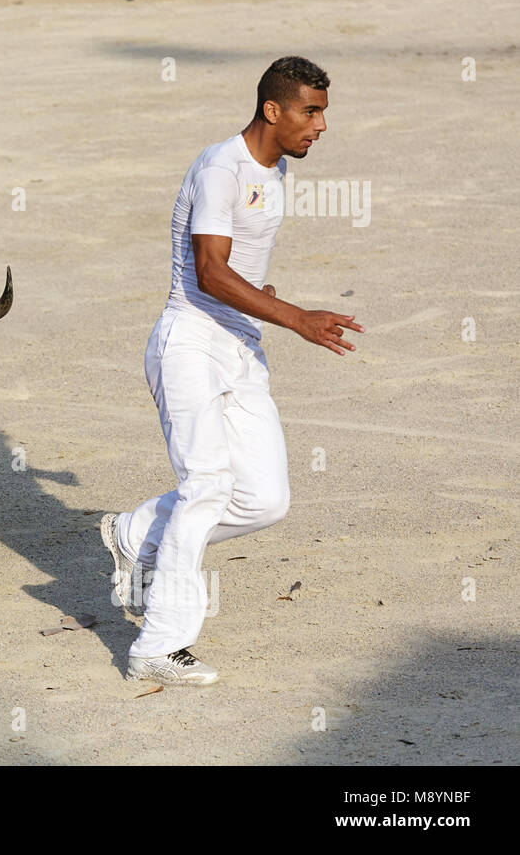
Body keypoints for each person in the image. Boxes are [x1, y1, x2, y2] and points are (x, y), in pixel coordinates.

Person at [100, 56, 363, 685]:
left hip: (240, 346)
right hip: (189, 341)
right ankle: (157, 647)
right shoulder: (222, 166)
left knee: (265, 499)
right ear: (273, 110)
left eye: (323, 111)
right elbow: (211, 273)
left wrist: (265, 299)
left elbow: (236, 271)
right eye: (311, 111)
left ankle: (136, 534)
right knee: (208, 486)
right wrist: (297, 317)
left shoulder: (272, 174)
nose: (321, 125)